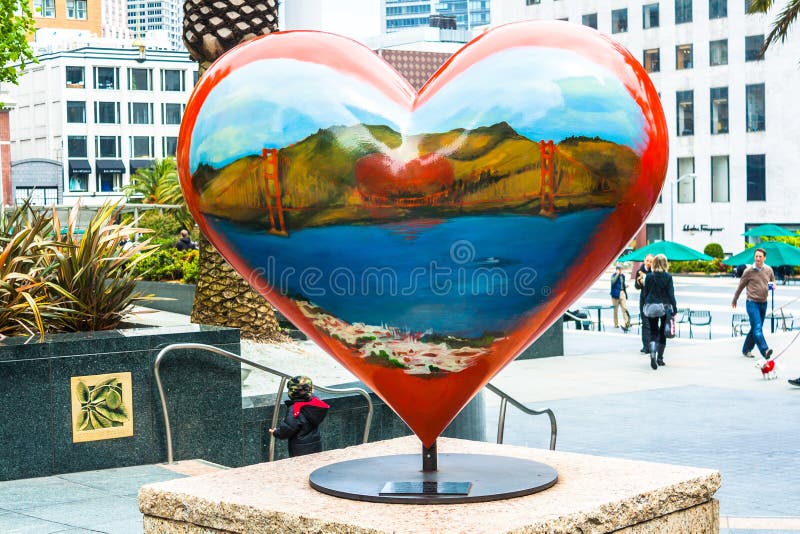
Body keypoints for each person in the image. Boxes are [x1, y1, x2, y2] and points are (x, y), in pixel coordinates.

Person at [269, 375, 330, 457]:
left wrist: (276, 432)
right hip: (315, 444)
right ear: (311, 390)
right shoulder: (315, 405)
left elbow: (288, 428)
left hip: (300, 449)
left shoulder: (295, 409)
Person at [732, 247, 775, 360]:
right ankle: (765, 350)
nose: (758, 258)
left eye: (760, 256)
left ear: (764, 258)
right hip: (752, 303)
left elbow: (771, 282)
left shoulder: (769, 270)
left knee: (755, 328)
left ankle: (746, 349)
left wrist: (773, 286)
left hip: (763, 303)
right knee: (757, 328)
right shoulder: (748, 271)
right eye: (756, 256)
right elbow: (740, 286)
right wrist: (735, 299)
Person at [641, 254, 677, 370]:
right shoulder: (668, 277)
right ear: (665, 264)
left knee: (653, 331)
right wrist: (674, 309)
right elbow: (671, 295)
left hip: (651, 306)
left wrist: (646, 305)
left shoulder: (649, 277)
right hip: (664, 307)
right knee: (662, 332)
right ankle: (660, 358)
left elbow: (646, 293)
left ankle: (652, 354)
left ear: (654, 263)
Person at [634, 254, 654, 353]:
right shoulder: (639, 271)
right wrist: (639, 282)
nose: (649, 263)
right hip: (643, 300)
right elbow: (636, 287)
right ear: (644, 260)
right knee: (645, 323)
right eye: (647, 260)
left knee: (652, 323)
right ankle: (646, 346)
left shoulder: (654, 272)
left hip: (653, 301)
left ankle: (653, 345)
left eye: (651, 261)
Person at [610, 264, 631, 331]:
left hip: (622, 293)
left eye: (621, 269)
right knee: (615, 310)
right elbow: (613, 282)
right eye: (619, 269)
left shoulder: (623, 276)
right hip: (615, 295)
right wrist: (617, 274)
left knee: (624, 308)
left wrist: (625, 286)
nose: (620, 270)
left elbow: (622, 284)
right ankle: (616, 324)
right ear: (616, 270)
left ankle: (627, 323)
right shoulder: (613, 276)